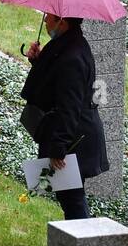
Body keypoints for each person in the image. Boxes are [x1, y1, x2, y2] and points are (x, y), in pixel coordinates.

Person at [21, 14, 108, 219]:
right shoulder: (66, 45)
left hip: (74, 139)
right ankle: (80, 244)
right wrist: (38, 61)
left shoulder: (72, 57)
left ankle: (84, 245)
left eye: (49, 17)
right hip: (71, 134)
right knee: (69, 194)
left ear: (63, 21)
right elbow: (54, 81)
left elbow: (69, 107)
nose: (45, 21)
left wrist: (58, 148)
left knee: (72, 196)